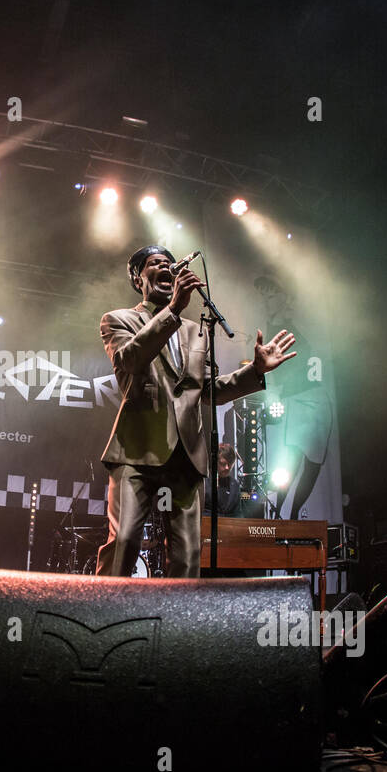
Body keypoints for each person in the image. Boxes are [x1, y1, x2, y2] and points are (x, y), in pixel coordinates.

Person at [96, 245, 297, 578]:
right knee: (126, 540)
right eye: (154, 264)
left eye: (169, 264)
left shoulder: (196, 331)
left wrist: (255, 371)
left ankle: (178, 627)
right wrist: (173, 309)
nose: (165, 268)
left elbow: (211, 390)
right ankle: (100, 617)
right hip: (137, 448)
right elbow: (130, 360)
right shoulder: (119, 320)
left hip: (187, 454)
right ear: (137, 278)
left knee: (188, 552)